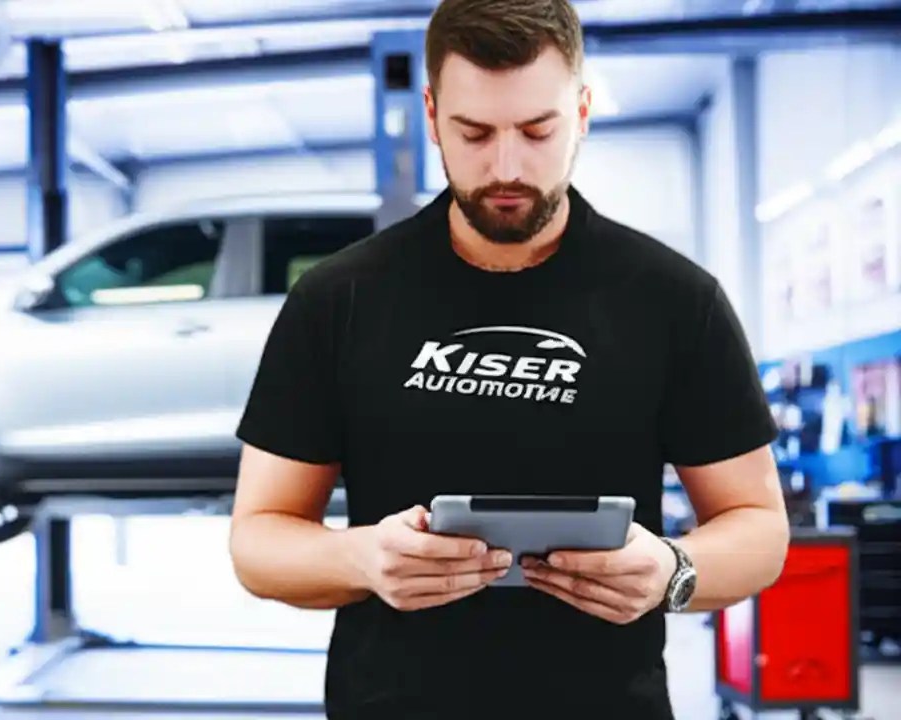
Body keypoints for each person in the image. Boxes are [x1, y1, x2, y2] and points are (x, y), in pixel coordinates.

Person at [227, 0, 791, 717]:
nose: (506, 166)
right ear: (432, 116)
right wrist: (361, 558)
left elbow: (760, 528)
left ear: (582, 111)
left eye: (537, 130)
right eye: (474, 132)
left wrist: (676, 569)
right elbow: (258, 539)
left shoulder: (674, 300)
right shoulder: (338, 299)